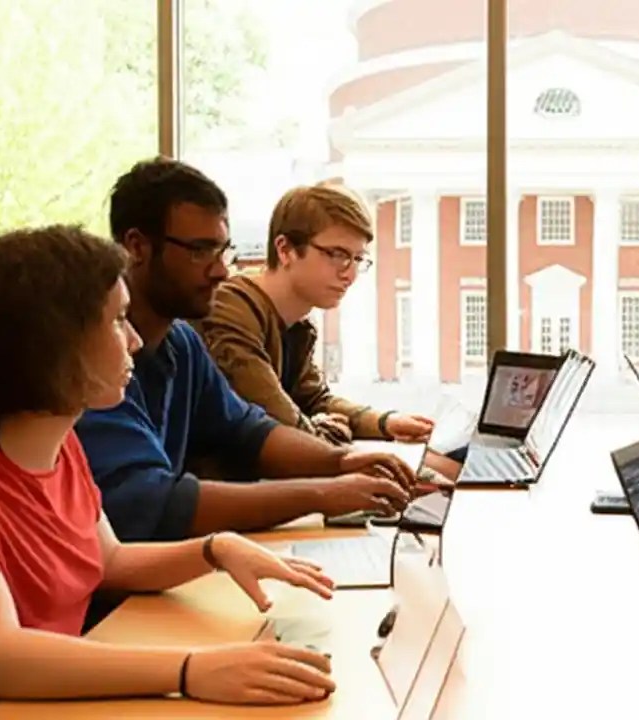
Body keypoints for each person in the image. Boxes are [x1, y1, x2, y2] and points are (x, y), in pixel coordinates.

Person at [0, 226, 340, 718]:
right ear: (52, 342)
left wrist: (215, 548)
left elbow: (110, 559)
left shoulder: (58, 441)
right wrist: (190, 670)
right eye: (117, 321)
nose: (132, 341)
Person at [74, 158, 415, 544]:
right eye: (200, 251)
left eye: (223, 251)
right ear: (136, 246)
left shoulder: (181, 343)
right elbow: (154, 504)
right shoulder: (92, 357)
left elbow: (248, 430)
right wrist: (323, 492)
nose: (221, 271)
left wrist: (340, 463)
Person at [195, 182, 462, 480]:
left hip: (262, 484)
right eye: (337, 254)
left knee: (445, 471)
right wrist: (329, 434)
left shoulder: (298, 325)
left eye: (357, 259)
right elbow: (279, 422)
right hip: (225, 497)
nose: (349, 273)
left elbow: (313, 399)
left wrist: (385, 423)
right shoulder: (231, 309)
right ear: (285, 250)